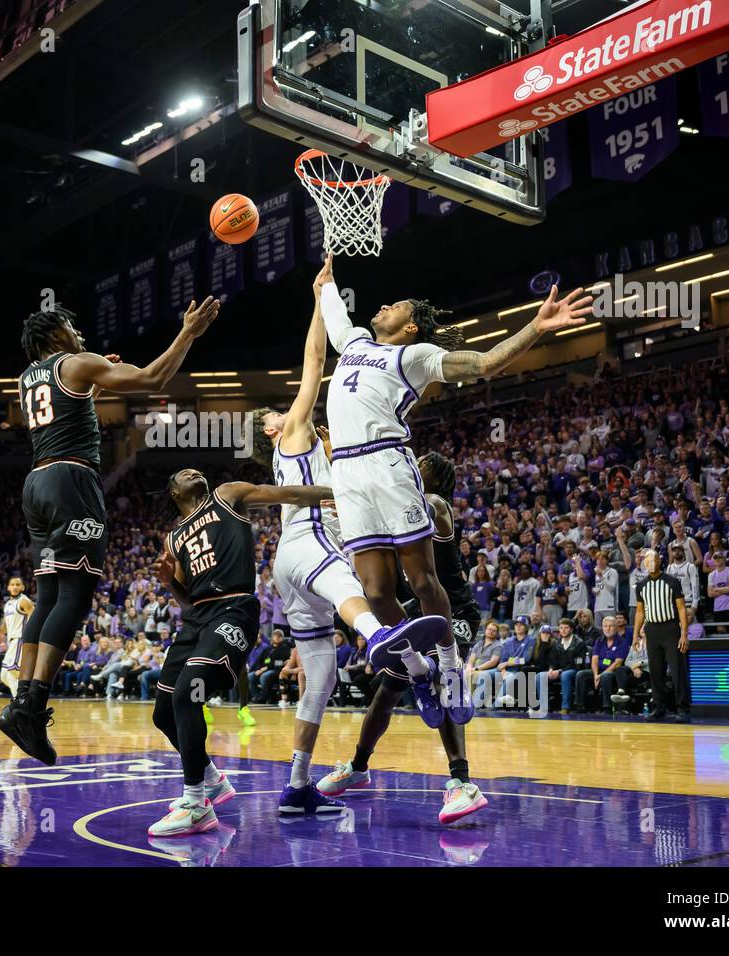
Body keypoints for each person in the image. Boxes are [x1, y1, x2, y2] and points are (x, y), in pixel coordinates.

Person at [317, 261, 586, 712]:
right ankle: (420, 673)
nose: (382, 305)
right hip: (345, 471)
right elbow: (334, 317)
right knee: (378, 593)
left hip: (387, 463)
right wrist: (325, 284)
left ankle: (450, 664)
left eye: (394, 305)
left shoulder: (414, 356)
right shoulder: (355, 342)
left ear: (410, 326)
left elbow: (481, 363)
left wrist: (536, 326)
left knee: (422, 579)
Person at [248, 257, 437, 813]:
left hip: (285, 566)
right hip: (311, 547)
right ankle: (392, 647)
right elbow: (313, 363)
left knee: (321, 677)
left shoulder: (308, 451)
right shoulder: (296, 430)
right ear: (275, 431)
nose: (283, 412)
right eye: (274, 415)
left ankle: (297, 784)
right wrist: (319, 301)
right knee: (363, 610)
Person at [0, 295, 221, 765]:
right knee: (75, 597)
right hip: (71, 482)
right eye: (72, 328)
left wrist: (95, 384)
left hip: (36, 482)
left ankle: (24, 703)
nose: (80, 334)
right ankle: (33, 703)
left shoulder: (28, 378)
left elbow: (66, 411)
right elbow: (152, 379)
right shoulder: (77, 361)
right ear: (57, 334)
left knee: (47, 596)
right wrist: (189, 333)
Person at [145, 467, 336, 837]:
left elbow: (287, 493)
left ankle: (197, 804)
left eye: (194, 468)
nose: (191, 469)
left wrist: (338, 491)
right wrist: (170, 585)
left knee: (189, 693)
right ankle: (213, 781)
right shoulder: (174, 539)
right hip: (198, 620)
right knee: (163, 713)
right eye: (181, 472)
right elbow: (187, 603)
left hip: (233, 610)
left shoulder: (226, 495)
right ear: (173, 492)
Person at [319, 452, 487, 824]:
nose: (410, 469)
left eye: (420, 465)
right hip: (415, 611)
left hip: (453, 613)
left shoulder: (436, 504)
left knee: (443, 682)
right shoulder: (394, 518)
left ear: (431, 475)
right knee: (387, 690)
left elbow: (420, 503)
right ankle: (359, 766)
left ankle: (462, 782)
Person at [634, 551, 691, 723]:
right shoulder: (641, 585)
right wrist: (635, 635)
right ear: (644, 564)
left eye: (653, 560)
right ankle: (659, 708)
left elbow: (681, 609)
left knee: (677, 671)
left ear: (660, 562)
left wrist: (684, 633)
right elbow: (639, 612)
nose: (650, 563)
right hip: (652, 630)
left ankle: (683, 709)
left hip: (670, 628)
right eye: (647, 560)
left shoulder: (672, 582)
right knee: (656, 672)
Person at [0, 577, 32, 698]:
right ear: (8, 587)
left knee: (12, 673)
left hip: (20, 639)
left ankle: (20, 701)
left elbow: (34, 617)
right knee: (4, 675)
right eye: (12, 584)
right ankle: (23, 697)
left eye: (18, 584)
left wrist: (32, 636)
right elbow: (7, 623)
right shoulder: (8, 604)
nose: (15, 587)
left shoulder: (24, 601)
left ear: (23, 587)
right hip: (11, 642)